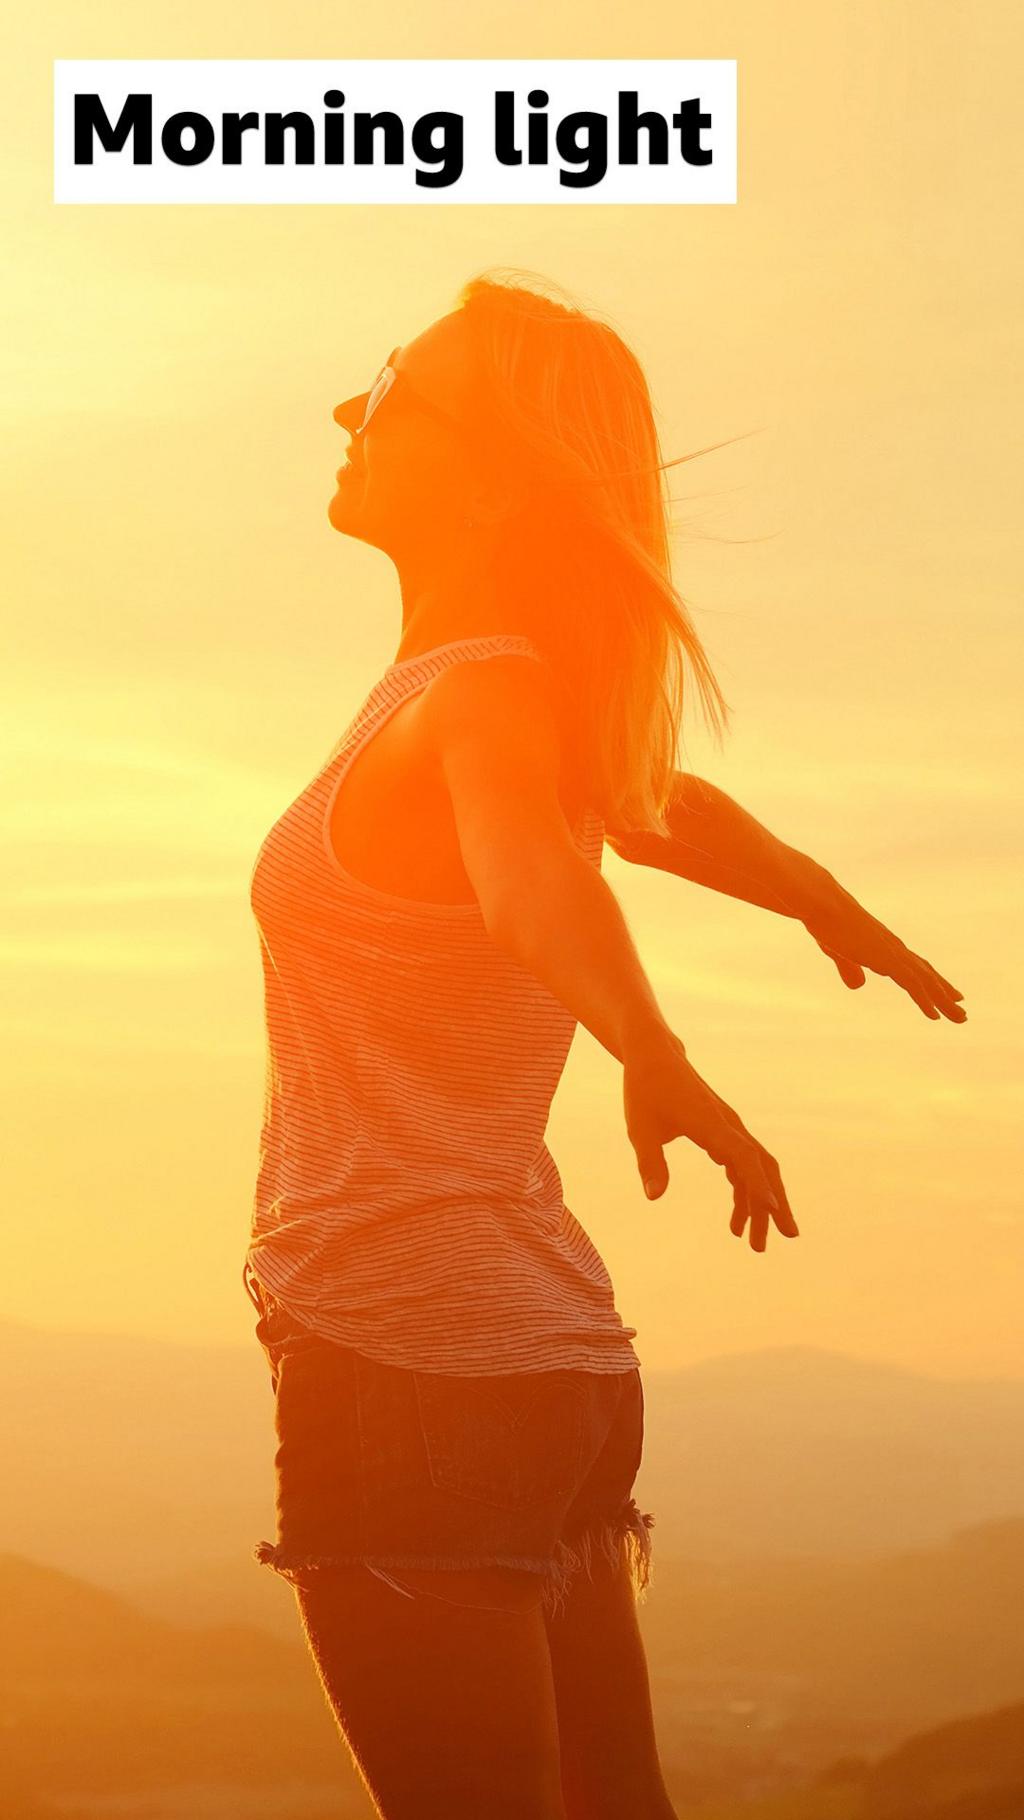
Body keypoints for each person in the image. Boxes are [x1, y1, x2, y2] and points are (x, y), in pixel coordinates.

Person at [242, 270, 966, 1820]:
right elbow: (652, 806)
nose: (348, 409)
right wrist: (825, 902)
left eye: (395, 386)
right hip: (548, 1363)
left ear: (495, 469)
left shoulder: (478, 700)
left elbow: (534, 880)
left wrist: (648, 1040)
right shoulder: (497, 699)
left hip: (407, 1362)